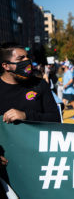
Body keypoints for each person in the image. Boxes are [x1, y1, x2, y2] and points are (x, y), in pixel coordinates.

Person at [0, 43, 60, 197]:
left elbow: (55, 118)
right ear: (6, 66)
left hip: (38, 161)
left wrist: (26, 115)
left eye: (27, 57)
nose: (27, 61)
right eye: (21, 58)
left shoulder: (39, 84)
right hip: (5, 168)